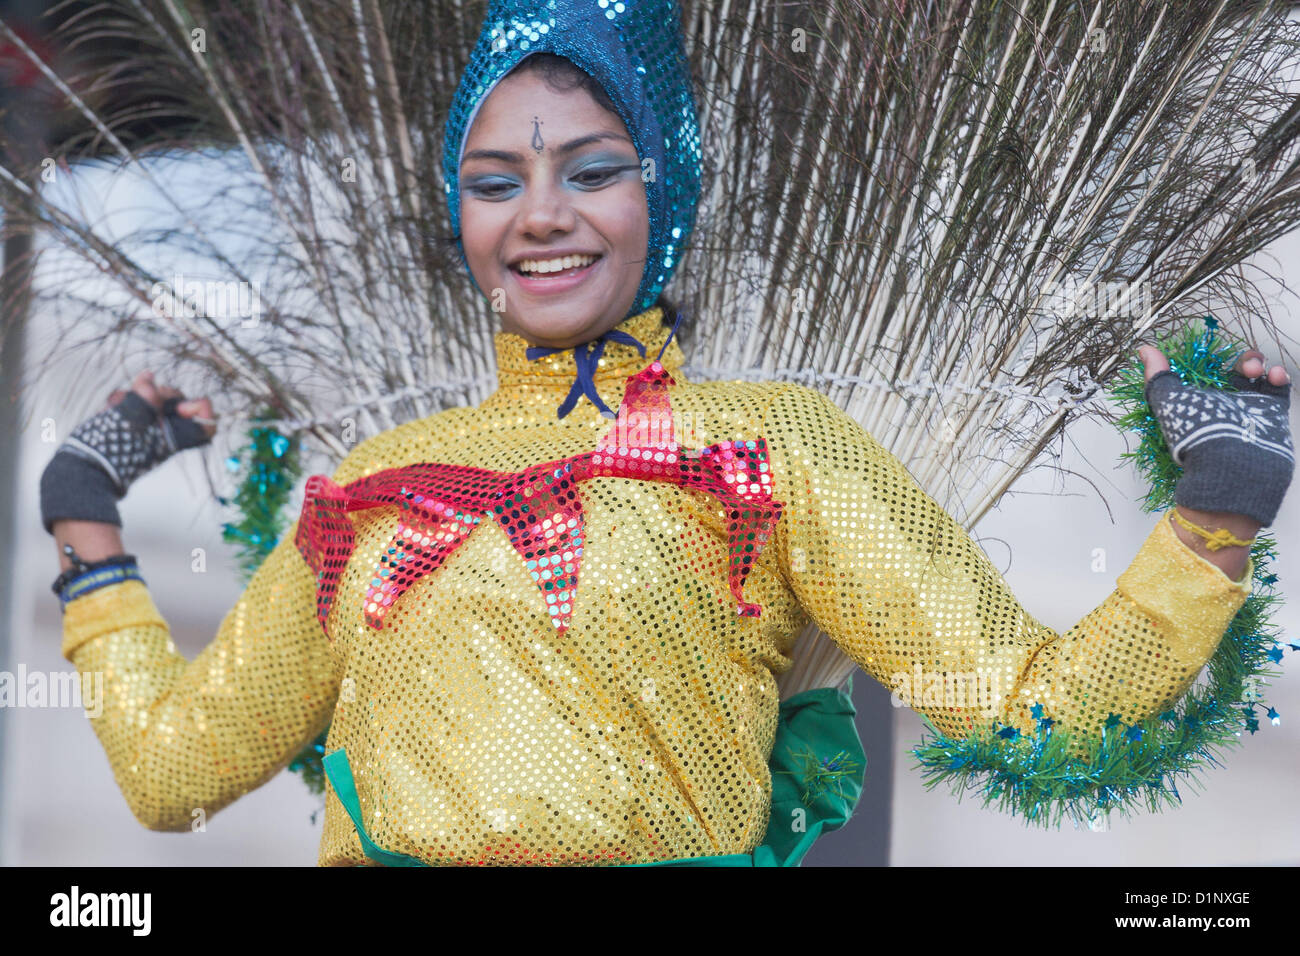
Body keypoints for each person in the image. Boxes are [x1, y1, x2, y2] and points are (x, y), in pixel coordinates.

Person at [39, 0, 1294, 866]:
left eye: (590, 170)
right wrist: (85, 518)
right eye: (493, 182)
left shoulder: (775, 448)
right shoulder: (368, 488)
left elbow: (1042, 715)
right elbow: (172, 772)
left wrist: (1216, 514)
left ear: (664, 190)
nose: (538, 215)